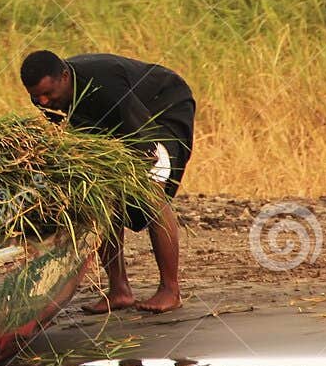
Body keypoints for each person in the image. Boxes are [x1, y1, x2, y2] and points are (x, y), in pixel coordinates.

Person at [19, 50, 195, 314]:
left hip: (161, 108)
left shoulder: (106, 85)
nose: (43, 101)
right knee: (101, 195)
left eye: (48, 94)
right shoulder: (45, 98)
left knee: (151, 195)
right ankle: (119, 290)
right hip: (114, 119)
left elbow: (144, 142)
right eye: (36, 96)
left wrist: (143, 178)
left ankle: (171, 291)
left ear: (65, 77)